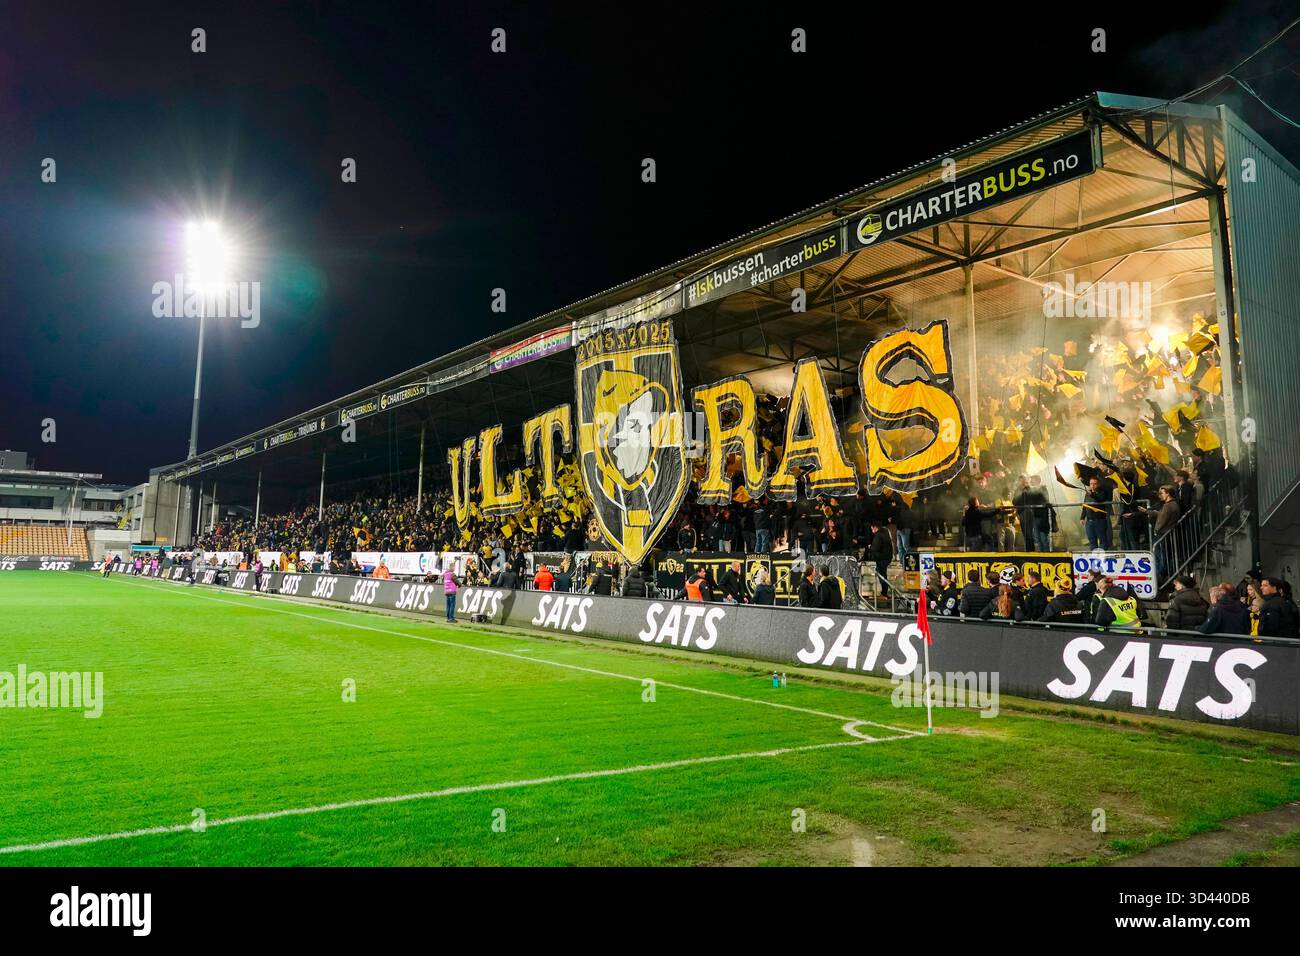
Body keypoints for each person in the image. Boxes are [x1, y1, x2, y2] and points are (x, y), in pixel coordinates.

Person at [1081, 476, 1113, 550]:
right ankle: (1093, 557)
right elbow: (1085, 506)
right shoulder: (1088, 494)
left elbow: (1100, 499)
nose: (1092, 485)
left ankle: (1104, 557)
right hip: (1089, 521)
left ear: (1098, 484)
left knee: (1102, 540)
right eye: (1091, 484)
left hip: (1100, 520)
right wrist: (1082, 517)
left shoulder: (1102, 492)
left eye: (1094, 484)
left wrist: (1092, 494)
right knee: (1092, 541)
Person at [865, 520, 893, 598]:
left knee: (882, 575)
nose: (872, 531)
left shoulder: (879, 535)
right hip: (886, 557)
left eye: (872, 529)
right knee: (881, 573)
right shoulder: (885, 532)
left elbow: (876, 547)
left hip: (882, 558)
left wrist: (870, 547)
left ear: (875, 527)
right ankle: (884, 593)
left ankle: (884, 594)